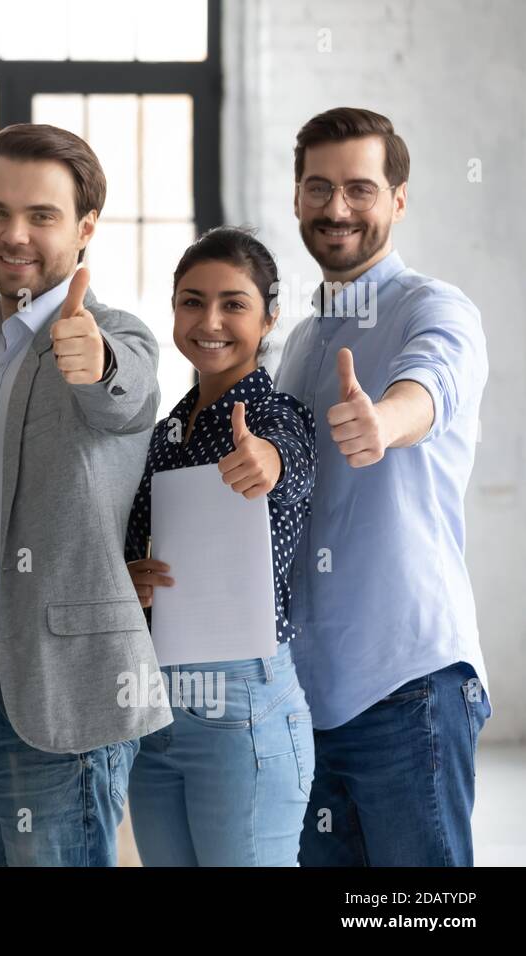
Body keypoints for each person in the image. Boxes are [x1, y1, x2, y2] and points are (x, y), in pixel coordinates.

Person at [0, 124, 170, 866]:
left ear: (86, 228)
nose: (13, 234)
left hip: (69, 702)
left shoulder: (116, 334)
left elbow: (130, 394)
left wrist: (96, 363)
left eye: (42, 216)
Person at [274, 107, 490, 866]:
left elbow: (431, 382)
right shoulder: (302, 342)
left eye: (360, 189)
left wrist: (387, 421)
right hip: (307, 701)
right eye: (319, 188)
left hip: (408, 688)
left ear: (398, 199)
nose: (337, 208)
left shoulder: (432, 308)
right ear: (297, 197)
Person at [124, 226, 317, 866]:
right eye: (191, 300)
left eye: (234, 303)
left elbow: (291, 464)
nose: (210, 320)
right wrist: (132, 577)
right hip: (156, 702)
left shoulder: (274, 417)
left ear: (269, 317)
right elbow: (133, 545)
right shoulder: (165, 431)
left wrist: (267, 462)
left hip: (244, 700)